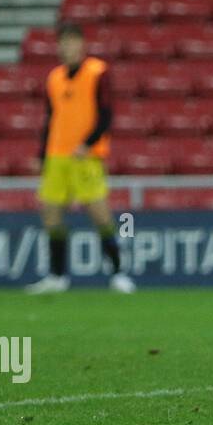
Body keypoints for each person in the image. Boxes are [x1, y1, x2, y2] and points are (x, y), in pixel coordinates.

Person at [25, 23, 136, 295]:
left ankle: (119, 272)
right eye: (63, 42)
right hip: (56, 155)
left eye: (72, 42)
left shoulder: (97, 72)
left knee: (99, 214)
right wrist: (41, 154)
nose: (68, 47)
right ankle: (57, 276)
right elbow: (51, 118)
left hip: (85, 156)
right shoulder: (54, 77)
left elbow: (106, 114)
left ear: (82, 45)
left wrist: (87, 144)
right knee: (50, 215)